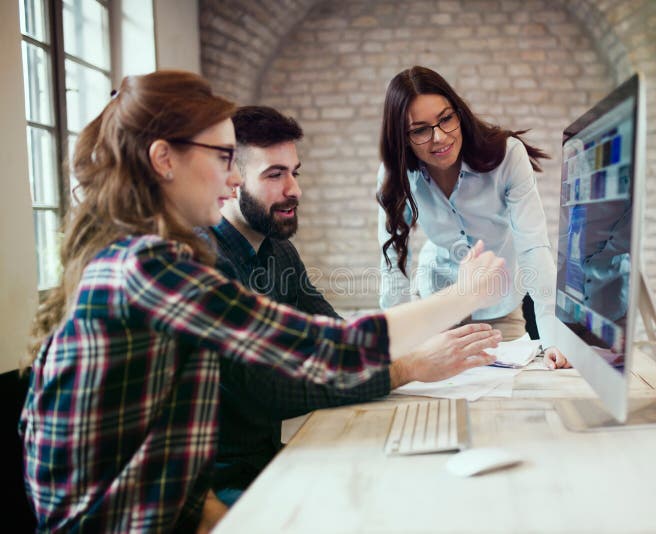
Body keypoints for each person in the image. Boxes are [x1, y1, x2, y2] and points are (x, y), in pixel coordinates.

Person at [19, 70, 506, 533]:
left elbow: (153, 456)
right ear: (165, 159)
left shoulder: (144, 258)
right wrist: (459, 296)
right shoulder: (148, 267)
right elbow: (319, 347)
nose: (232, 180)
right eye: (221, 158)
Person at [209, 105, 501, 505]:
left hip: (276, 456)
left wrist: (423, 350)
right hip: (227, 482)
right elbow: (271, 388)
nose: (294, 189)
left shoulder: (279, 250)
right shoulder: (207, 261)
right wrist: (408, 367)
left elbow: (334, 335)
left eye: (295, 172)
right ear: (231, 179)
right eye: (275, 175)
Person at [376, 65, 571, 369]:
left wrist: (553, 337)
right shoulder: (396, 175)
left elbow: (533, 246)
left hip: (499, 303)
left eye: (445, 119)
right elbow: (393, 259)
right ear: (402, 137)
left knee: (505, 391)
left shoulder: (508, 157)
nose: (439, 137)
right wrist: (397, 342)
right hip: (439, 301)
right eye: (420, 130)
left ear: (459, 113)